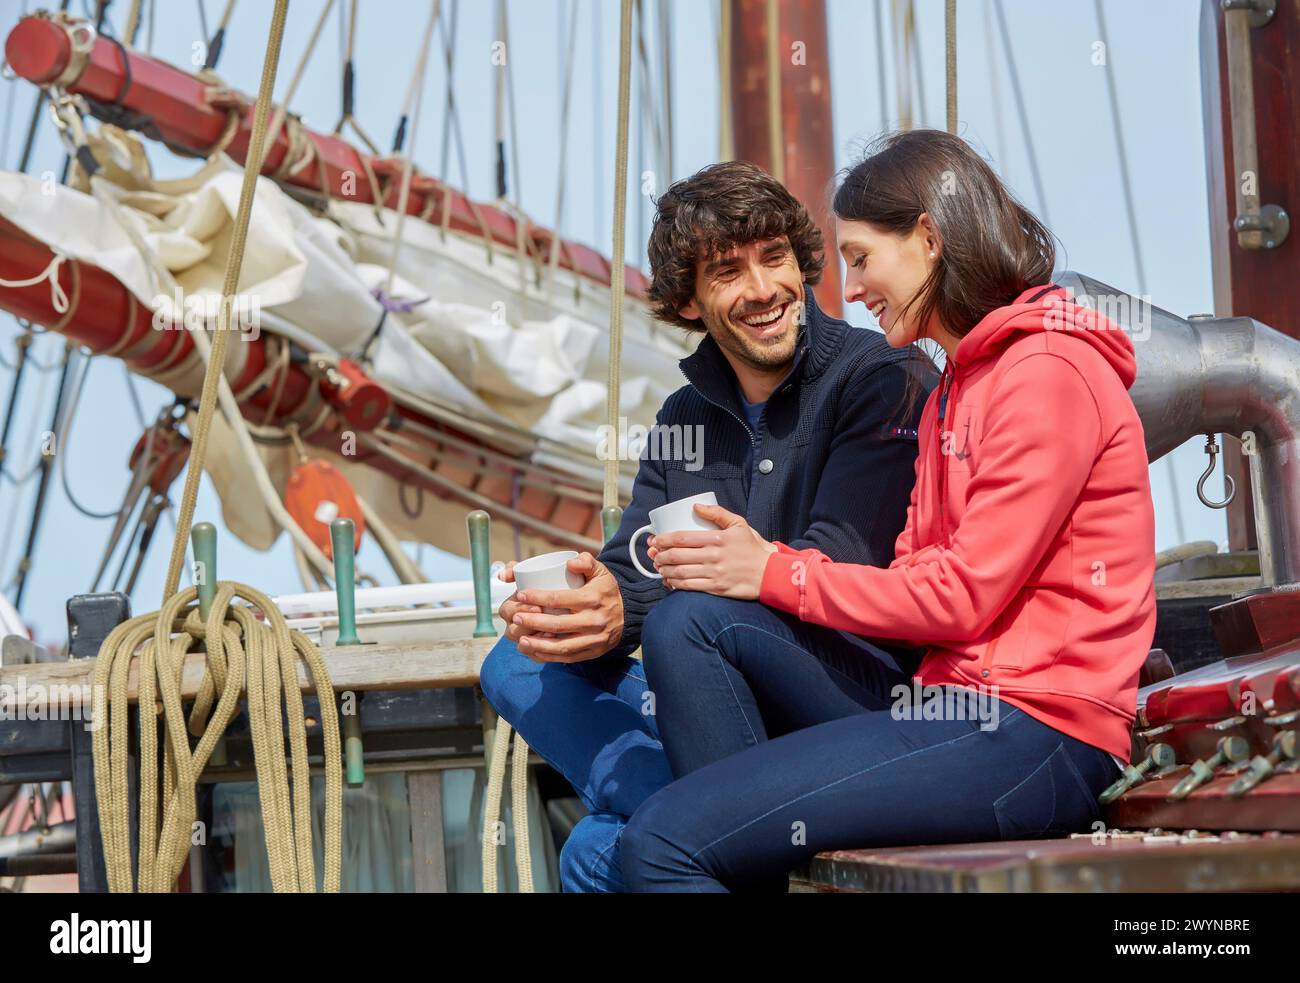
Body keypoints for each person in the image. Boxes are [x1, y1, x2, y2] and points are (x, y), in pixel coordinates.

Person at [619, 128, 1156, 892]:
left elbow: (962, 595)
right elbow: (916, 579)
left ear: (929, 241)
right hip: (950, 706)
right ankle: (738, 837)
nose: (851, 287)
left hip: (1039, 732)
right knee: (690, 621)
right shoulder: (953, 392)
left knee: (659, 842)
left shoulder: (1046, 374)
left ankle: (719, 836)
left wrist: (773, 570)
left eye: (862, 259)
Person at [477, 160, 933, 892]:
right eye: (727, 271)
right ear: (688, 302)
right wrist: (598, 604)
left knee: (682, 639)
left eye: (775, 258)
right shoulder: (683, 419)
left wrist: (665, 600)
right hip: (715, 701)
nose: (762, 290)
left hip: (852, 703)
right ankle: (699, 818)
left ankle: (708, 831)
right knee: (516, 666)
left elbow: (844, 561)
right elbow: (636, 568)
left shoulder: (879, 378)